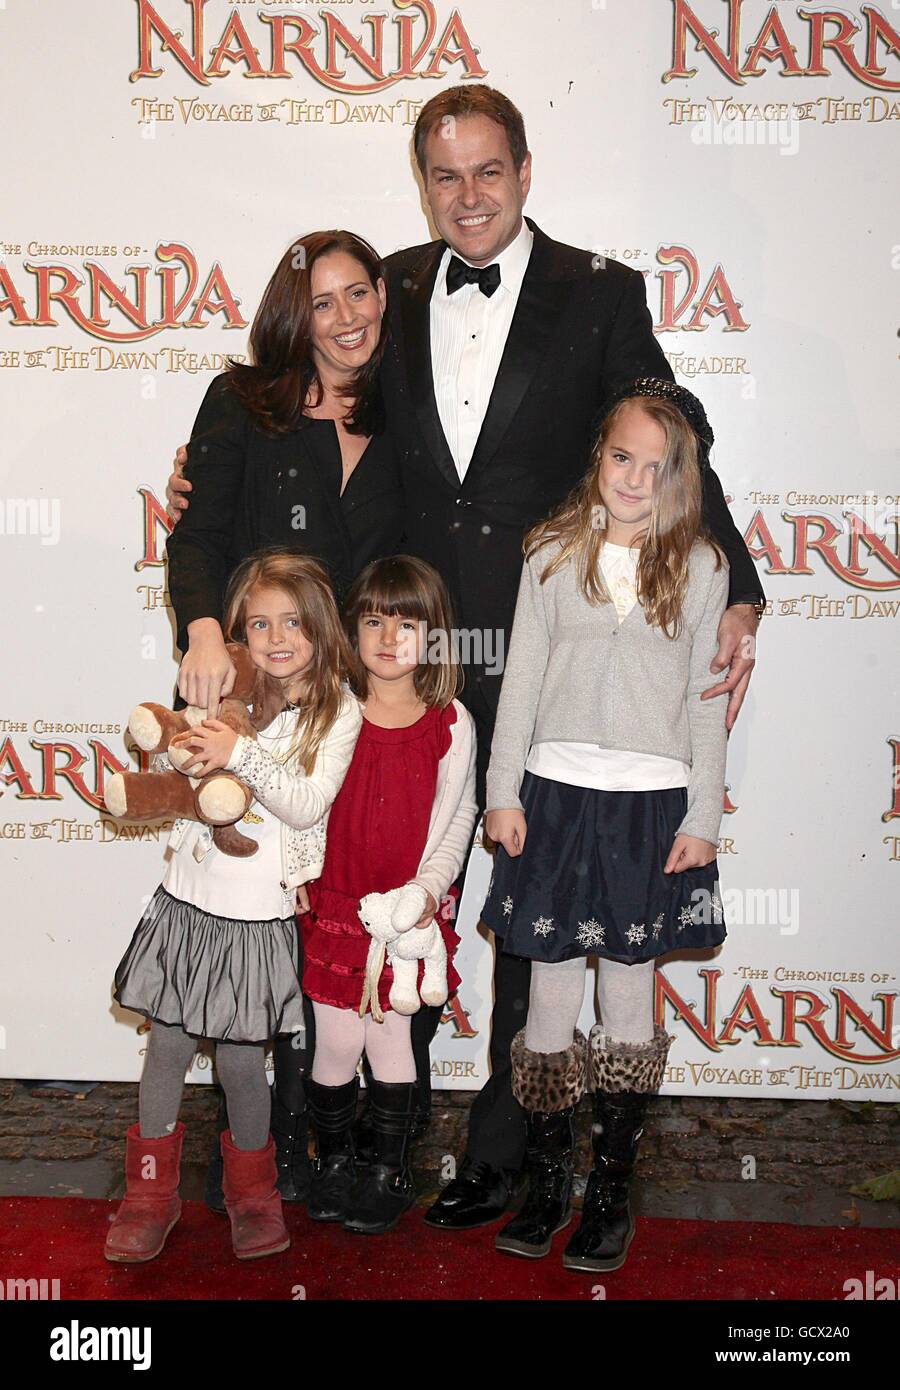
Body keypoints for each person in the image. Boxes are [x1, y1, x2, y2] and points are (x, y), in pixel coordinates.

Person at [167, 83, 765, 1229]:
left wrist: (734, 586)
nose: (469, 194)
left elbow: (671, 424)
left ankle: (501, 1153)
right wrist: (203, 460)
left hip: (545, 643)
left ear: (526, 171)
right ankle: (366, 1126)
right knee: (389, 883)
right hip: (405, 655)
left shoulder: (600, 293)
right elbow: (297, 392)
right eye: (446, 176)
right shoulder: (385, 285)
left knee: (525, 903)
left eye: (489, 171)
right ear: (422, 184)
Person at [166, 229, 403, 1207]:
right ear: (292, 313)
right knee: (260, 918)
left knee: (354, 916)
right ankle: (253, 1143)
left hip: (369, 715)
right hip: (258, 712)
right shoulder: (243, 404)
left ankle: (340, 1133)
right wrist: (203, 632)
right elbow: (198, 533)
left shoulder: (415, 413)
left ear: (385, 298)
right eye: (324, 301)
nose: (345, 318)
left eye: (361, 295)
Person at [479, 380, 730, 1270]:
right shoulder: (549, 552)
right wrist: (500, 792)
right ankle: (548, 1184)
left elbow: (707, 707)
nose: (635, 479)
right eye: (622, 457)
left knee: (627, 996)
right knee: (547, 993)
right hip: (551, 796)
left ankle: (611, 1192)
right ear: (599, 458)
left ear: (679, 480)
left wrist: (703, 813)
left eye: (656, 468)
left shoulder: (701, 567)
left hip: (650, 808)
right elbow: (519, 685)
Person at [105, 550, 362, 1262]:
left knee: (245, 1065)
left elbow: (308, 808)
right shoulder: (225, 689)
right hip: (188, 902)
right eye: (258, 623)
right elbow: (174, 772)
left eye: (292, 623)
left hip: (257, 919)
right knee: (167, 1050)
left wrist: (240, 754)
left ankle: (254, 1196)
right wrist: (185, 748)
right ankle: (149, 1196)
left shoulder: (338, 709)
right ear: (238, 633)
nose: (277, 638)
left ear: (319, 626)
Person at [298, 555, 478, 1234]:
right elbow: (301, 803)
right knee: (336, 1043)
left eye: (406, 623)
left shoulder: (450, 721)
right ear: (351, 630)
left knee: (392, 1041)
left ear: (434, 635)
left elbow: (459, 814)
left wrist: (428, 891)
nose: (387, 637)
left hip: (403, 916)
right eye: (373, 620)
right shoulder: (329, 711)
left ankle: (387, 1169)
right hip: (337, 906)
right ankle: (335, 1162)